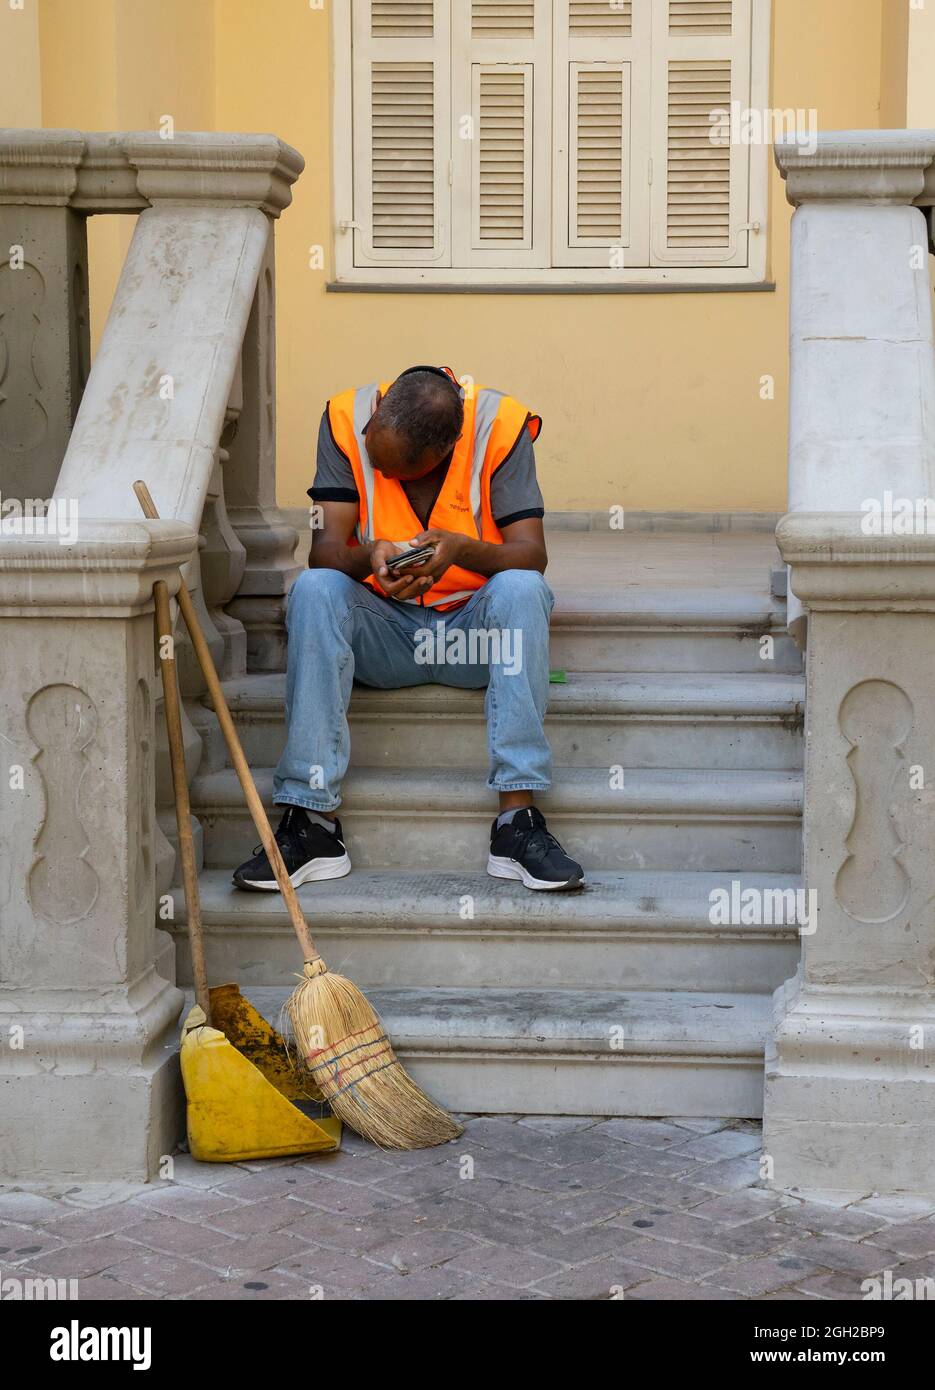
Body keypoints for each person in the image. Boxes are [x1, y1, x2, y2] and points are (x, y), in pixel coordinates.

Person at [233, 365, 585, 894]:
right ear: (375, 417)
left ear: (445, 452)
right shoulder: (343, 419)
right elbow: (324, 551)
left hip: (474, 639)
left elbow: (531, 555)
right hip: (385, 637)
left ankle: (516, 823)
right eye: (377, 456)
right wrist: (368, 555)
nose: (383, 474)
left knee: (522, 590)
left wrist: (460, 549)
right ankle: (311, 825)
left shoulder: (502, 426)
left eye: (400, 471)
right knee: (315, 589)